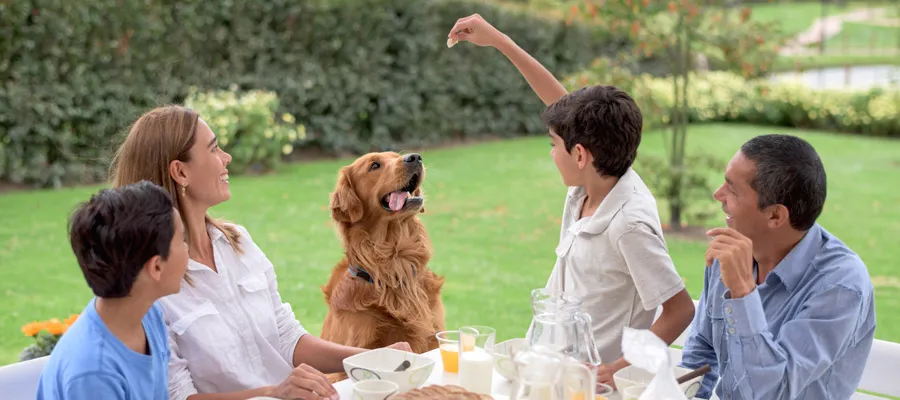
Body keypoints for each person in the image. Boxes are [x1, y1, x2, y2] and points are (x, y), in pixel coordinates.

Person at [446, 14, 696, 386]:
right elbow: (563, 107)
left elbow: (680, 309)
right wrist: (501, 41)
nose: (550, 153)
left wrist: (617, 369)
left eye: (553, 145)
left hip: (588, 385)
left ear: (580, 155)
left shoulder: (629, 224)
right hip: (547, 369)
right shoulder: (597, 178)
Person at [109, 105, 411, 400]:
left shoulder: (237, 243)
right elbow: (176, 396)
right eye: (214, 150)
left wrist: (373, 359)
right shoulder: (152, 284)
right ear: (180, 172)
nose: (226, 158)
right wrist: (272, 392)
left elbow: (286, 337)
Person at [679, 134, 876, 399]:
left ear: (775, 215)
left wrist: (743, 294)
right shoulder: (734, 251)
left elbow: (773, 392)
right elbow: (701, 354)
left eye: (732, 189)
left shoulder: (841, 285)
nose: (718, 195)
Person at [37, 181, 189, 400]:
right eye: (182, 240)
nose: (188, 248)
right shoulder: (93, 372)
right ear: (156, 266)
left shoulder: (149, 315)